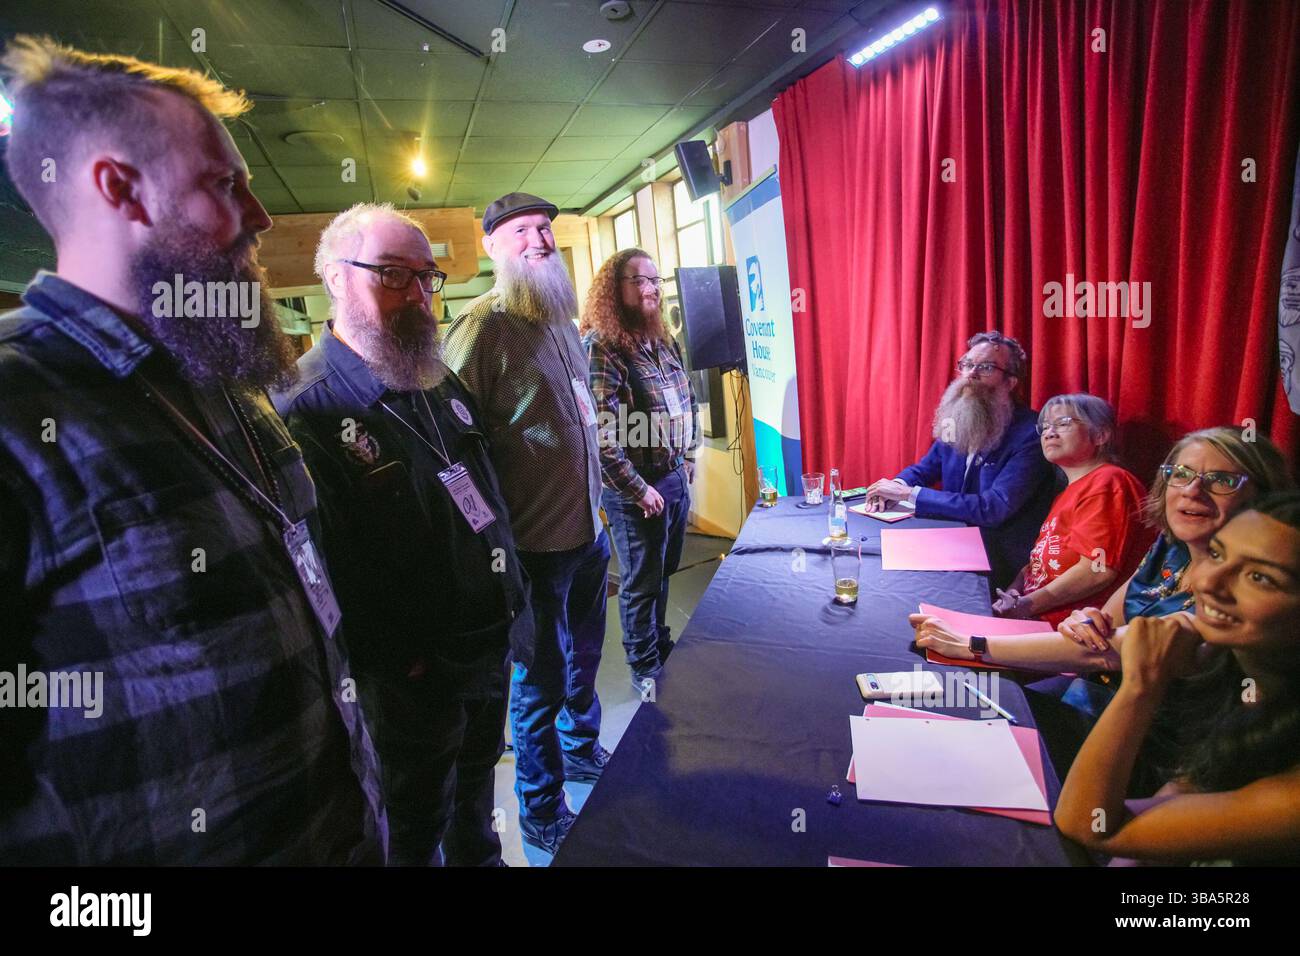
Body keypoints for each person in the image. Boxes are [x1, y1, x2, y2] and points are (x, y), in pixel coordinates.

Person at [0, 37, 383, 863]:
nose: (262, 216)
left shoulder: (222, 371)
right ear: (120, 189)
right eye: (223, 183)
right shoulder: (14, 407)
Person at [272, 204, 533, 866]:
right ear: (335, 278)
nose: (418, 296)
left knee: (477, 798)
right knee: (412, 827)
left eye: (427, 277)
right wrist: (399, 662)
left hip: (484, 648)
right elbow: (316, 575)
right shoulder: (306, 408)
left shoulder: (434, 378)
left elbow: (484, 497)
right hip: (408, 685)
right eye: (393, 275)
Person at [442, 192, 609, 856]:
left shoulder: (562, 319)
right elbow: (449, 449)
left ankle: (583, 749)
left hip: (588, 535)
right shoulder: (481, 329)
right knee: (536, 687)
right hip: (533, 550)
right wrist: (492, 543)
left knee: (585, 661)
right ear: (491, 246)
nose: (539, 240)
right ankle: (540, 810)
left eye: (545, 228)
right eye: (521, 231)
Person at [909, 426, 1293, 674]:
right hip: (1091, 685)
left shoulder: (1248, 588)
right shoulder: (1170, 547)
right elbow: (1102, 623)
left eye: (1221, 480)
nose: (1193, 491)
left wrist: (970, 645)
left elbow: (1102, 652)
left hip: (1153, 741)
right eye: (1182, 474)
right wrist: (1084, 618)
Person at [1054, 493, 1300, 864]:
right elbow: (1182, 792)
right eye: (1217, 555)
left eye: (1259, 577)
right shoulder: (1235, 678)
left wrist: (1141, 685)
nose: (1207, 583)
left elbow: (1092, 824)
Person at [581, 248, 700, 692]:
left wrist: (689, 456)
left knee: (663, 574)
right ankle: (644, 666)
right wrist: (636, 490)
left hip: (672, 479)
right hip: (636, 491)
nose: (650, 288)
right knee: (640, 582)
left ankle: (660, 642)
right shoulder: (602, 347)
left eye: (655, 280)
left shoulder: (661, 340)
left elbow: (686, 397)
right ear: (615, 290)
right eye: (638, 280)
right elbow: (600, 433)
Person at [865, 331, 1057, 588]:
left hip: (996, 556)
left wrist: (908, 493)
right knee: (874, 567)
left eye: (985, 367)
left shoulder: (1030, 435)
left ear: (1010, 382)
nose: (970, 374)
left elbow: (994, 508)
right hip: (950, 540)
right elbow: (925, 469)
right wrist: (895, 485)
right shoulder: (957, 419)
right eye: (966, 364)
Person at [990, 394, 1149, 627]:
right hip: (1035, 616)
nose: (1049, 433)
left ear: (1101, 435)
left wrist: (1026, 605)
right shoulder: (1066, 493)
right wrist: (1014, 593)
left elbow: (1097, 570)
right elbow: (1038, 564)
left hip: (1073, 629)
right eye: (1045, 427)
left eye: (1063, 423)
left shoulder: (1108, 482)